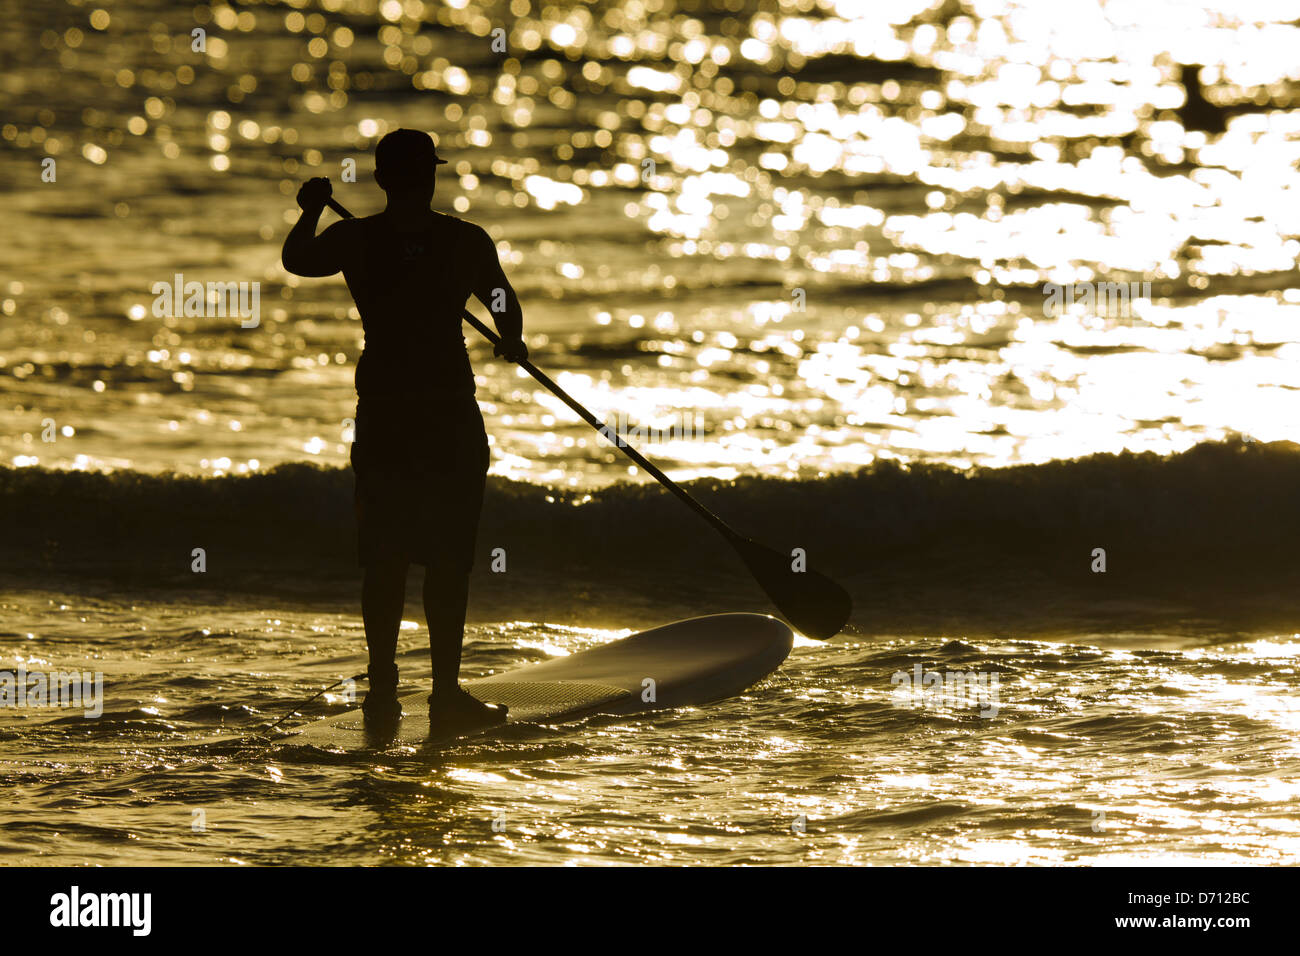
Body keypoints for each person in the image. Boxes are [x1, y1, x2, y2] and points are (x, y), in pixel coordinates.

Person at [281, 128, 527, 729]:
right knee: (449, 557)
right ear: (433, 177)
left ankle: (383, 695)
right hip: (445, 410)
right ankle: (445, 694)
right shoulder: (463, 240)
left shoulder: (357, 239)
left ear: (384, 180)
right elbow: (502, 300)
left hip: (387, 412)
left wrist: (311, 210)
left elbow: (297, 259)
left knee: (385, 558)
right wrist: (512, 341)